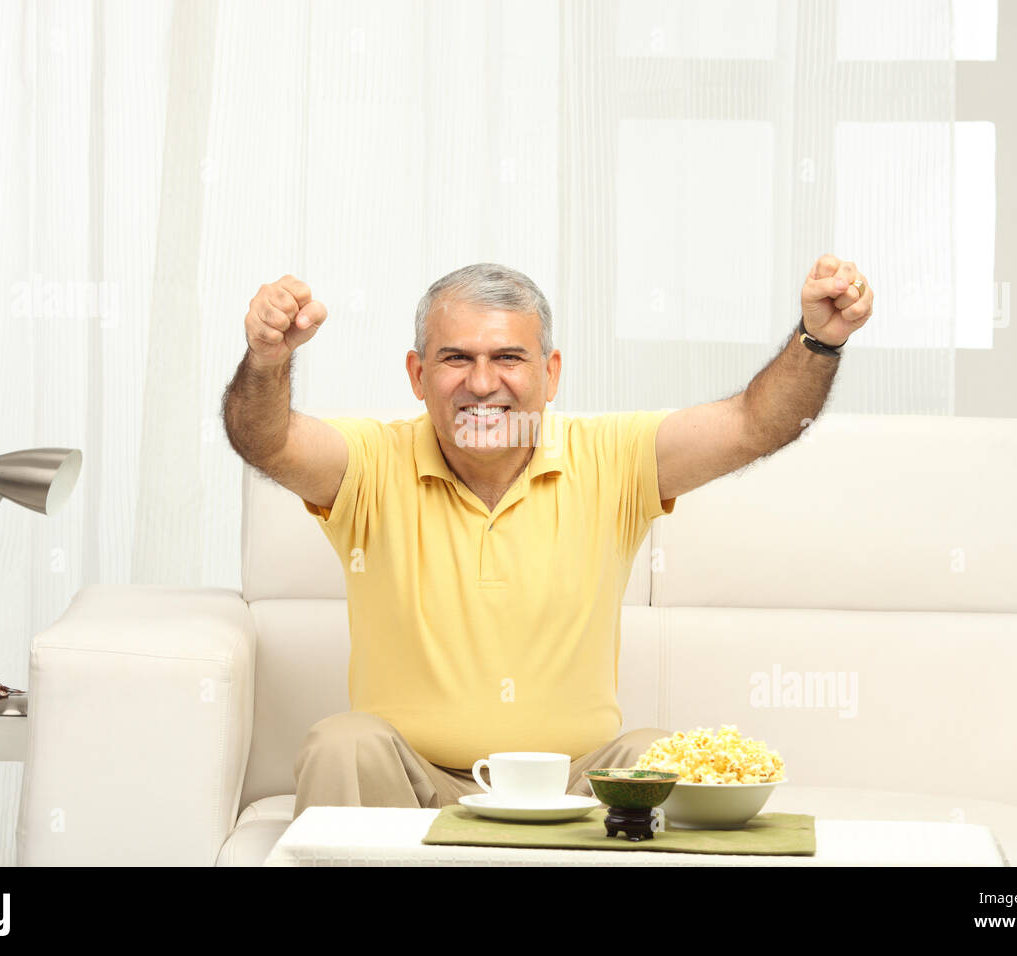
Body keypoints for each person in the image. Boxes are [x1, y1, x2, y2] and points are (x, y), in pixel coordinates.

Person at [221, 259, 872, 820]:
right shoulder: (367, 463)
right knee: (343, 743)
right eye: (456, 359)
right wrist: (268, 360)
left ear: (550, 373)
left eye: (508, 357)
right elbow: (266, 440)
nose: (481, 384)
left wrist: (818, 340)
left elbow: (753, 423)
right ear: (418, 376)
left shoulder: (612, 458)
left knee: (655, 757)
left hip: (573, 787)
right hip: (411, 784)